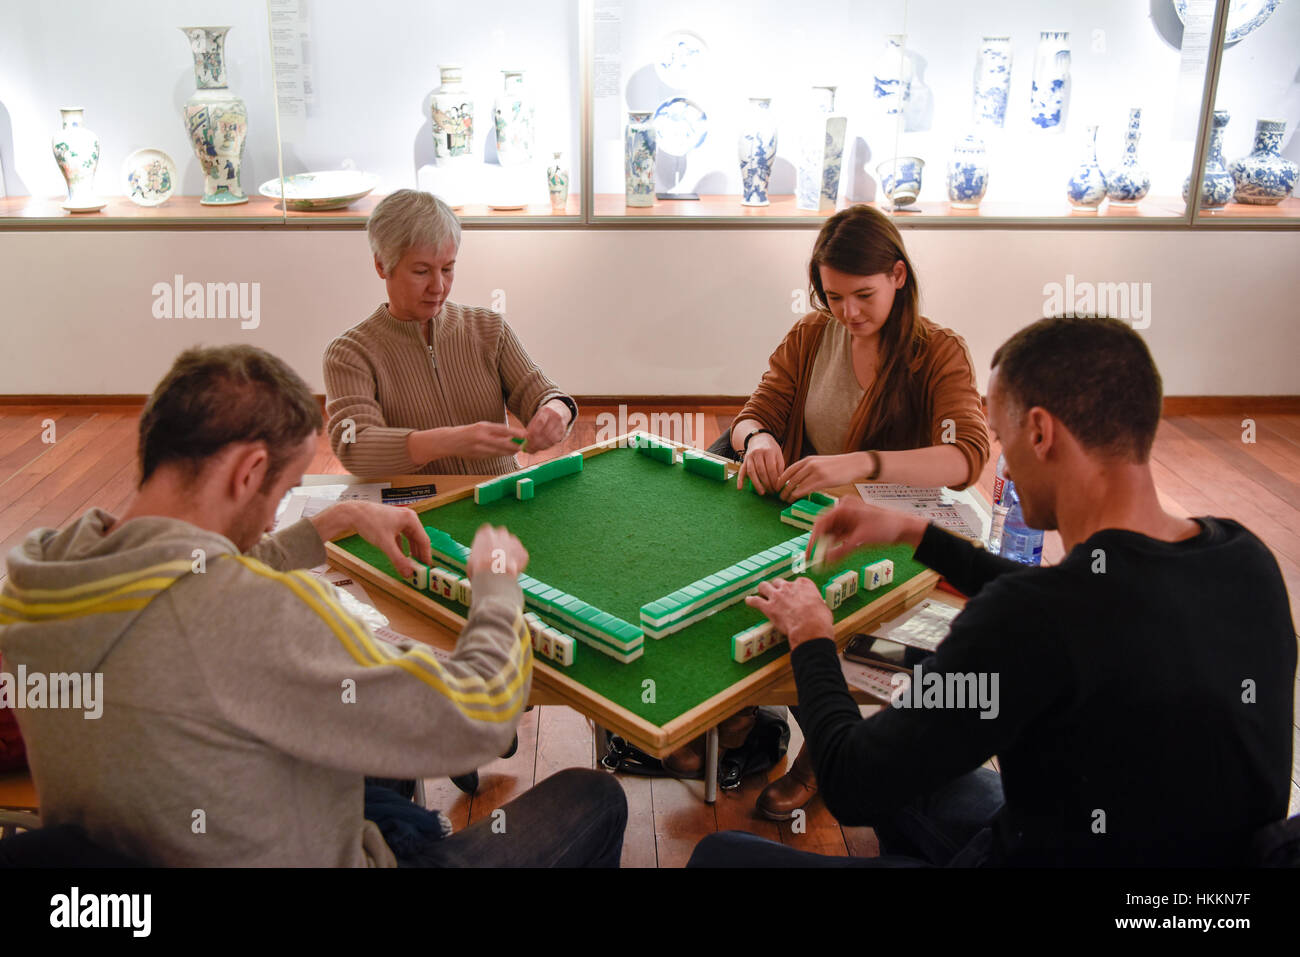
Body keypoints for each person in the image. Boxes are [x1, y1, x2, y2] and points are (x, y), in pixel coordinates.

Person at [688, 315, 1296, 867]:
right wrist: (916, 532)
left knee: (719, 856)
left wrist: (813, 636)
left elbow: (850, 785)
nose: (1000, 460)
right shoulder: (1244, 555)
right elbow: (1088, 606)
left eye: (1001, 437)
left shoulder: (1032, 619)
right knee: (925, 779)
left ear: (1040, 433)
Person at [0, 345, 626, 867]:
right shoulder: (253, 614)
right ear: (247, 472)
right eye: (283, 489)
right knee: (594, 799)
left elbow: (171, 577)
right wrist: (495, 587)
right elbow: (480, 714)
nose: (276, 512)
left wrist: (329, 523)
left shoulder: (43, 574)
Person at [674, 205, 989, 813]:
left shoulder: (939, 350)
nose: (848, 312)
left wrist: (859, 463)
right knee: (737, 580)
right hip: (802, 508)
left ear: (899, 275)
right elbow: (757, 408)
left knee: (844, 617)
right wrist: (757, 439)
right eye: (833, 296)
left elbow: (965, 456)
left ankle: (823, 748)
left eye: (863, 295)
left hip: (877, 525)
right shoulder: (813, 333)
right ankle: (738, 712)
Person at [324, 189, 578, 478]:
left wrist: (558, 409)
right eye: (421, 271)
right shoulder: (349, 354)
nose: (438, 287)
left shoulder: (489, 328)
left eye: (447, 268)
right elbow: (354, 447)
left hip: (499, 494)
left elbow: (543, 394)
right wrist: (447, 441)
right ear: (382, 264)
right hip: (418, 510)